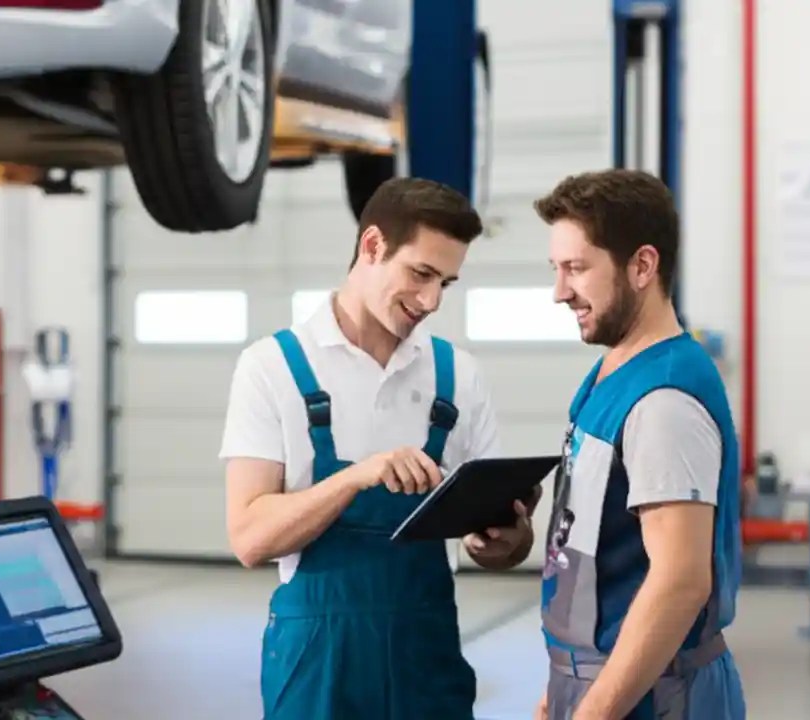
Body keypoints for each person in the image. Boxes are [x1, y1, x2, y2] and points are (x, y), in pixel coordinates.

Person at [219, 177, 537, 720]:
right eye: (420, 273)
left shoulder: (457, 376)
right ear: (372, 246)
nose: (432, 300)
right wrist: (354, 477)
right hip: (318, 666)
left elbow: (503, 550)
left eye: (446, 282)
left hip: (427, 658)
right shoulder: (272, 368)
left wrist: (504, 541)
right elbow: (249, 538)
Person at [531, 169, 746, 720]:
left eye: (576, 269)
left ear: (643, 266)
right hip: (596, 680)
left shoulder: (664, 401)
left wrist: (591, 712)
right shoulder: (611, 374)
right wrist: (557, 690)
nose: (560, 292)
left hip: (655, 696)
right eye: (556, 269)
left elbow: (679, 582)